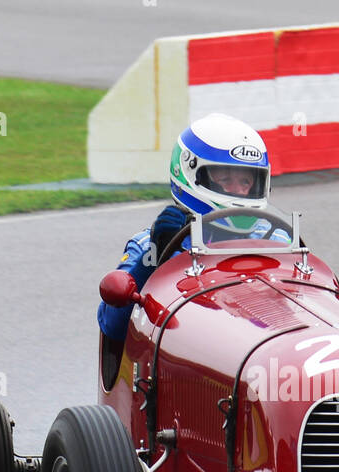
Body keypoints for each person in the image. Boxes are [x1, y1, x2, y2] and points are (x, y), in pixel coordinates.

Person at [97, 113, 287, 341]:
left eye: (246, 181)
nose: (237, 190)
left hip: (257, 349)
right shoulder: (148, 245)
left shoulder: (277, 241)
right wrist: (153, 259)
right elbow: (112, 326)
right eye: (225, 179)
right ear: (188, 172)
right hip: (181, 356)